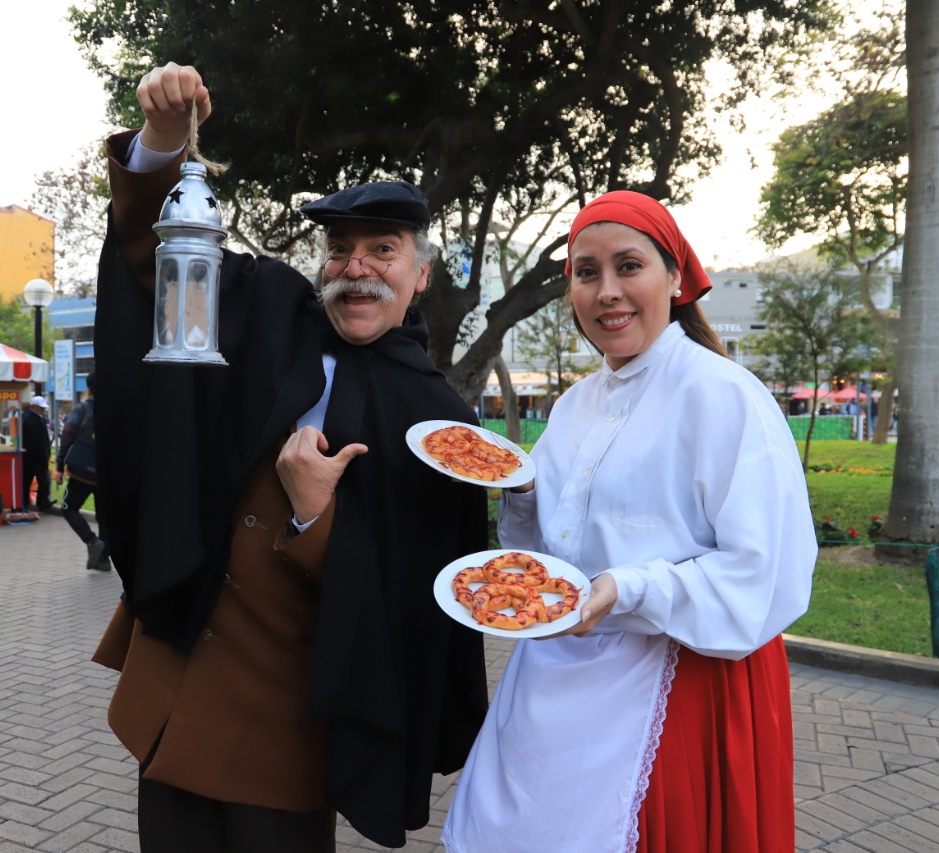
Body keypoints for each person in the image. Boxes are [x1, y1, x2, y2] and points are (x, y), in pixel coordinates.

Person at [88, 62, 489, 852]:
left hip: (287, 723)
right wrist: (164, 140)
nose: (358, 268)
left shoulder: (442, 420)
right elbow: (159, 259)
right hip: (178, 671)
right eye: (341, 249)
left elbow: (419, 582)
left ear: (422, 272)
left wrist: (314, 512)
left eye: (384, 249)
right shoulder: (266, 309)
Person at [443, 191, 818, 852]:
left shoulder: (724, 394)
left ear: (675, 277)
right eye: (587, 273)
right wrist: (523, 491)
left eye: (628, 266)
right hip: (557, 679)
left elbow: (767, 571)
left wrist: (633, 586)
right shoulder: (574, 404)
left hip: (681, 684)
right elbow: (546, 556)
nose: (607, 290)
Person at [55, 374, 108, 570]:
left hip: (82, 472)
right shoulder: (115, 411)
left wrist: (59, 466)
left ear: (89, 389)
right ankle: (103, 560)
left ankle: (92, 541)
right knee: (104, 516)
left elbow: (67, 437)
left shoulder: (83, 408)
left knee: (69, 508)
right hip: (106, 474)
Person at [20, 395, 53, 513]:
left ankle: (24, 502)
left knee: (27, 481)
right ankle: (42, 502)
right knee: (43, 481)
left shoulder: (30, 417)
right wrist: (45, 454)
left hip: (30, 456)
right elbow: (38, 440)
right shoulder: (31, 419)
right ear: (34, 407)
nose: (43, 410)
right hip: (36, 457)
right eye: (41, 408)